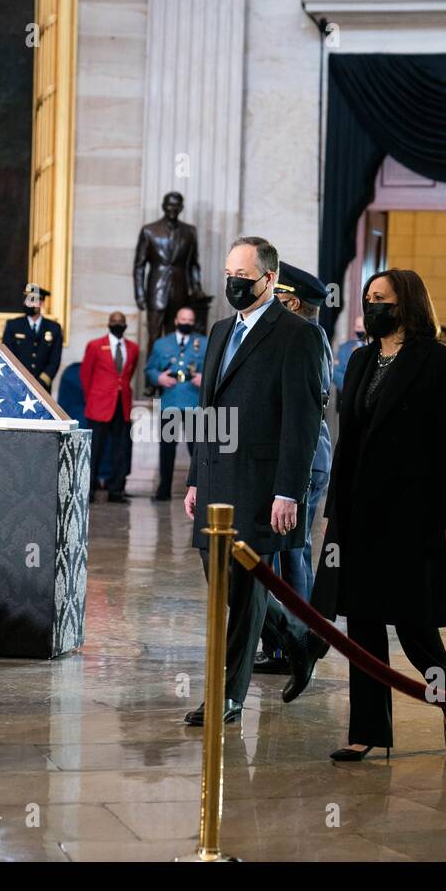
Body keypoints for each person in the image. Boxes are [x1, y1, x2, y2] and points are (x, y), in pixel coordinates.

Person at [310, 268, 446, 760]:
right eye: (367, 298)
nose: (371, 306)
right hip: (359, 510)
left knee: (412, 621)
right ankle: (367, 731)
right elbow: (349, 438)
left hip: (413, 512)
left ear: (405, 305)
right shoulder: (360, 360)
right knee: (361, 621)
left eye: (380, 298)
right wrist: (334, 504)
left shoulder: (439, 361)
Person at [183, 236, 322, 725]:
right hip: (215, 483)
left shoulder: (296, 335)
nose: (233, 285)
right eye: (228, 276)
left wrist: (289, 492)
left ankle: (228, 697)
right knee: (228, 588)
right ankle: (298, 642)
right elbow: (207, 410)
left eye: (242, 278)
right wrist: (195, 478)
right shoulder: (221, 331)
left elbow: (301, 424)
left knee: (242, 596)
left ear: (268, 279)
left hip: (262, 488)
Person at [254, 263, 333, 686]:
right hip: (306, 458)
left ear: (291, 301)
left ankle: (295, 643)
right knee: (293, 553)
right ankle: (296, 639)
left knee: (290, 554)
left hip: (303, 460)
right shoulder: (309, 336)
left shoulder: (305, 336)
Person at [144, 305, 205, 501]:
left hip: (194, 400)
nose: (186, 323)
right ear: (176, 321)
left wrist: (205, 377)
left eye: (190, 321)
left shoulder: (204, 343)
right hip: (170, 401)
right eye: (183, 320)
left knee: (196, 448)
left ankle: (200, 490)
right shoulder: (162, 343)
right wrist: (159, 378)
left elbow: (215, 368)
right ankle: (164, 490)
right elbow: (150, 369)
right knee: (167, 448)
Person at [81, 311, 138, 503]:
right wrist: (94, 398)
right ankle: (88, 489)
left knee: (121, 450)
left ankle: (116, 490)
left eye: (121, 322)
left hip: (122, 406)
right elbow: (85, 376)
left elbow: (128, 375)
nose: (118, 324)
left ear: (125, 325)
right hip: (99, 406)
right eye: (114, 322)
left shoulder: (133, 348)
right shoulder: (95, 346)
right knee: (95, 450)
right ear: (108, 324)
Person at [134, 191, 203, 350]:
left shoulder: (190, 231)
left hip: (180, 290)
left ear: (181, 207)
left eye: (176, 205)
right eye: (170, 205)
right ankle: (152, 374)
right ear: (164, 206)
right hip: (156, 290)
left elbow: (193, 263)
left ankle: (174, 372)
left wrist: (197, 287)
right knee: (154, 336)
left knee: (177, 336)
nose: (173, 208)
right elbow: (139, 265)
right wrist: (139, 294)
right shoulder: (149, 230)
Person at [2, 283, 63, 392]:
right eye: (26, 299)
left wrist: (41, 382)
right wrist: (18, 379)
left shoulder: (54, 328)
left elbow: (54, 360)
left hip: (42, 388)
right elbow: (7, 355)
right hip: (17, 386)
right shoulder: (13, 325)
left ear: (41, 303)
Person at [334, 312, 366, 413]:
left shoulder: (377, 348)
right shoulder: (345, 348)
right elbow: (336, 372)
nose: (358, 329)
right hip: (346, 400)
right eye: (357, 326)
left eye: (361, 327)